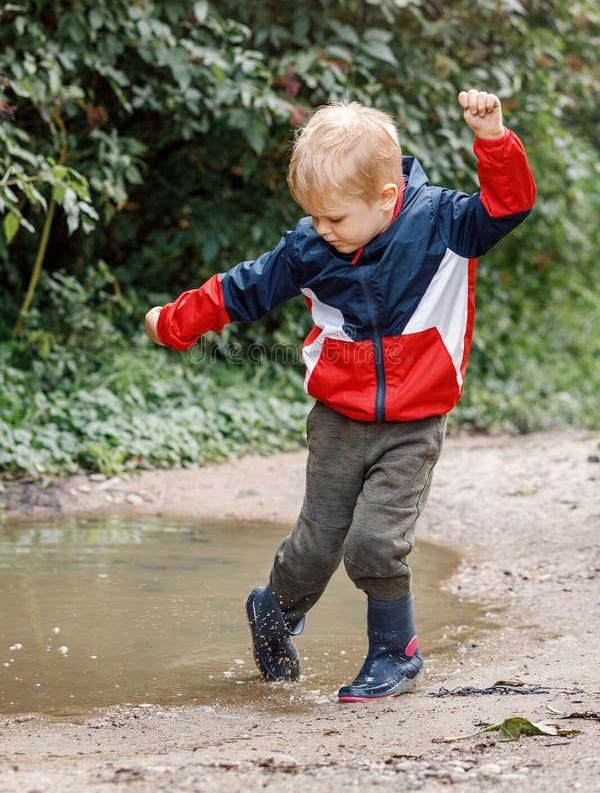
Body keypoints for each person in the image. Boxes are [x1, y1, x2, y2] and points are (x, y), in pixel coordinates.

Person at [145, 89, 536, 702]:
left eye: (334, 219)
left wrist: (493, 141)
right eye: (315, 217)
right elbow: (242, 289)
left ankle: (395, 655)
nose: (321, 230)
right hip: (337, 420)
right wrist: (174, 320)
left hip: (414, 421)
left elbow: (509, 204)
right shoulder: (311, 245)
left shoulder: (444, 224)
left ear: (386, 199)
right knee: (313, 547)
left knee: (375, 543)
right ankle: (275, 611)